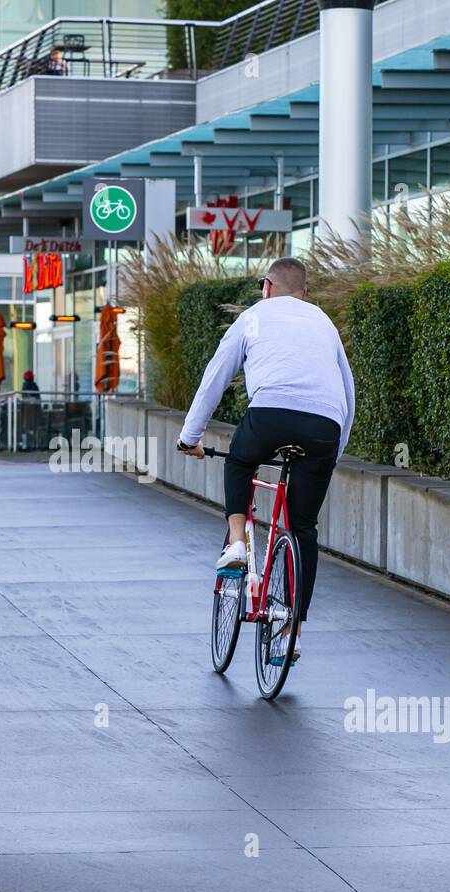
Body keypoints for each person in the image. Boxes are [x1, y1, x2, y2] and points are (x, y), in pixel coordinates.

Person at [177, 257, 355, 662]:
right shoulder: (323, 321)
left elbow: (216, 375)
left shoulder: (254, 315)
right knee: (303, 526)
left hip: (270, 413)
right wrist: (332, 456)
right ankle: (290, 630)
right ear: (304, 293)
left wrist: (190, 437)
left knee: (240, 461)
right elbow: (349, 393)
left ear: (266, 287)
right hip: (324, 425)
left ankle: (237, 544)